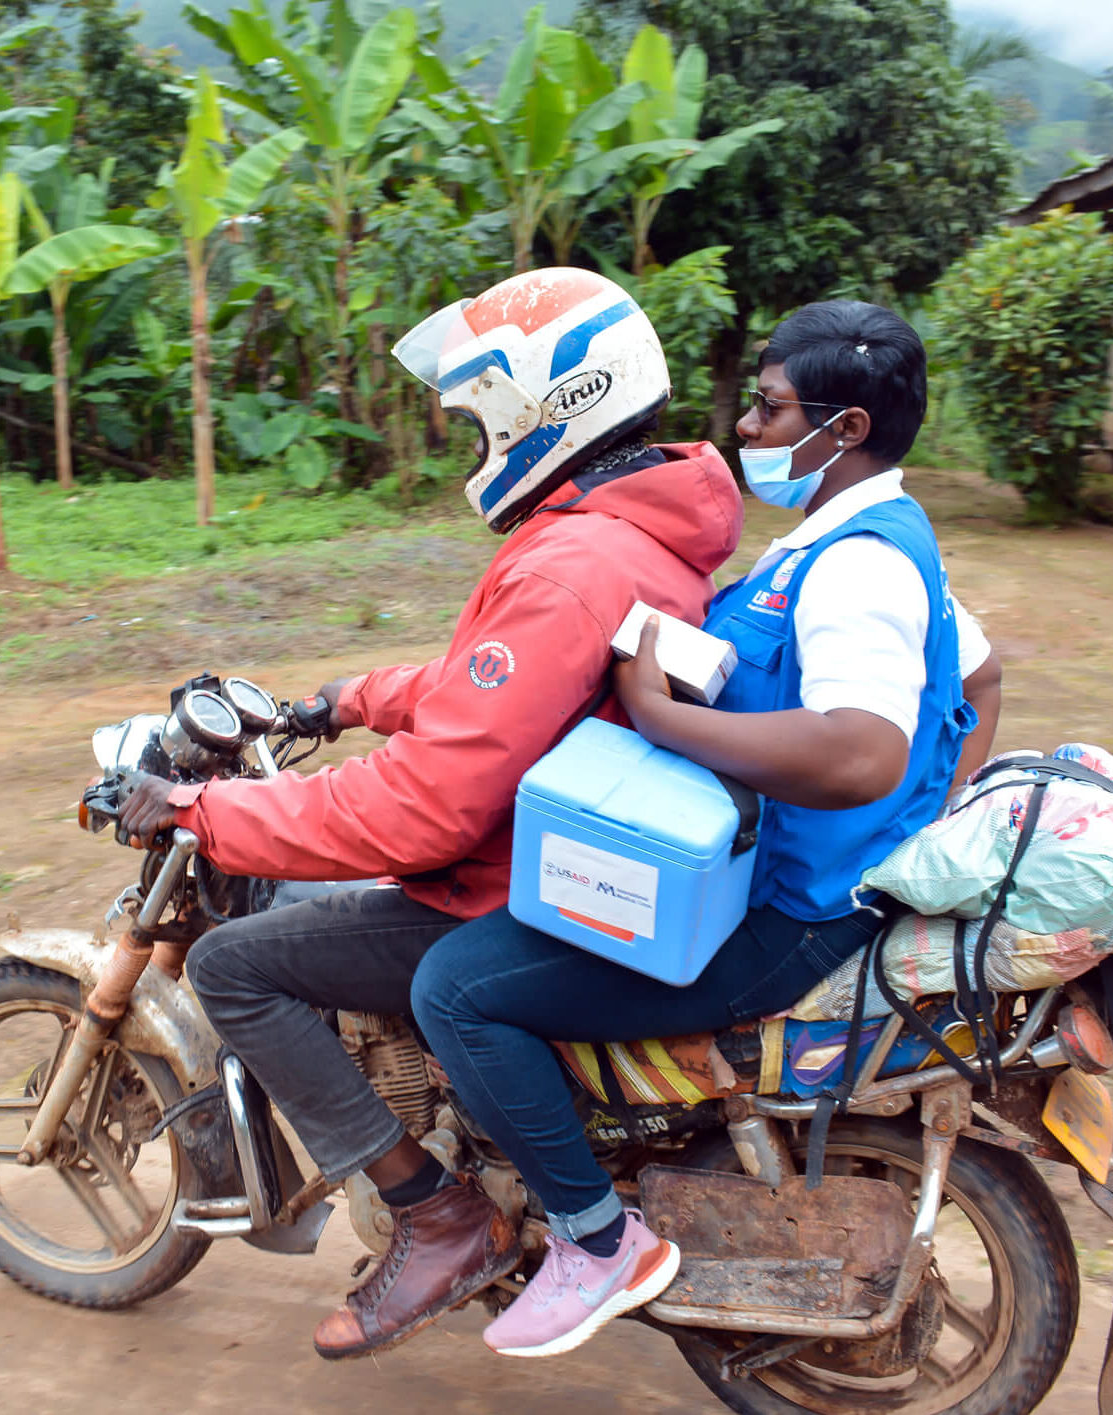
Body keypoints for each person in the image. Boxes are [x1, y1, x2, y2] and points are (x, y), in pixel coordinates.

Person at [117, 268, 744, 1360]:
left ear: (545, 407)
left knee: (237, 967)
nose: (471, 443)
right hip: (562, 849)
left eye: (478, 418)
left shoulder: (568, 562)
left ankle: (438, 1214)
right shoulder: (627, 529)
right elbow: (498, 692)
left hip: (505, 884)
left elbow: (427, 806)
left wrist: (208, 811)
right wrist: (345, 699)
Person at [410, 299, 1002, 1360]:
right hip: (802, 886)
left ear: (846, 428)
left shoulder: (856, 565)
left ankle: (596, 1242)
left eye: (772, 409)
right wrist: (915, 833)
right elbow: (981, 675)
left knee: (455, 986)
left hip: (784, 916)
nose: (748, 429)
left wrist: (663, 716)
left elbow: (861, 747)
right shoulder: (861, 539)